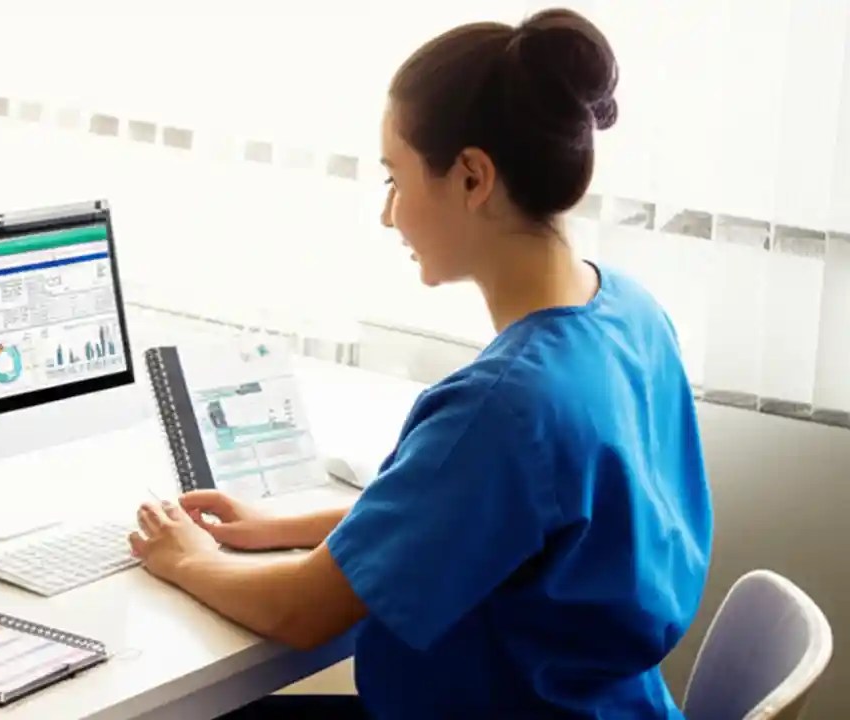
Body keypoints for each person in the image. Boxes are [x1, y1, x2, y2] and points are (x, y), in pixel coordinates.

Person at [128, 7, 712, 720]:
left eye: (395, 178)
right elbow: (492, 514)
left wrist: (185, 557)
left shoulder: (504, 406)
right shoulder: (630, 314)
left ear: (472, 177)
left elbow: (300, 613)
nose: (389, 215)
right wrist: (280, 526)